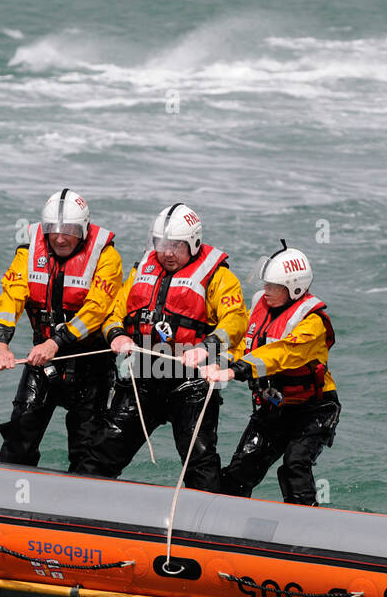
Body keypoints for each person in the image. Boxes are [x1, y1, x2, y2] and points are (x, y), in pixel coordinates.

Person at [74, 203, 247, 491]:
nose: (167, 252)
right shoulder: (143, 267)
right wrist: (117, 335)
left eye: (176, 246)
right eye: (161, 244)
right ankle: (76, 505)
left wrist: (208, 346)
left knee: (199, 460)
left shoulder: (218, 277)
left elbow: (237, 319)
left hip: (190, 382)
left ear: (193, 243)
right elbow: (115, 312)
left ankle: (207, 523)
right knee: (103, 450)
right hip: (143, 376)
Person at [0, 189, 123, 470]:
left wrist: (56, 342)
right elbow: (12, 295)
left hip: (90, 364)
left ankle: (83, 503)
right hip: (44, 360)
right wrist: (1, 341)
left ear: (85, 229)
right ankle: (8, 495)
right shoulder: (28, 252)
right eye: (54, 229)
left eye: (70, 230)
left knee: (87, 449)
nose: (61, 237)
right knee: (19, 434)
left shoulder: (107, 257)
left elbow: (96, 309)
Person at [202, 242, 340, 505]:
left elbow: (282, 353)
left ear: (294, 288)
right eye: (265, 284)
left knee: (294, 466)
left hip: (312, 410)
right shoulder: (261, 306)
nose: (265, 290)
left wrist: (236, 371)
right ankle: (222, 524)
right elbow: (246, 346)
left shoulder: (313, 323)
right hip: (272, 407)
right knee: (241, 469)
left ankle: (305, 527)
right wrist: (221, 363)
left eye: (273, 286)